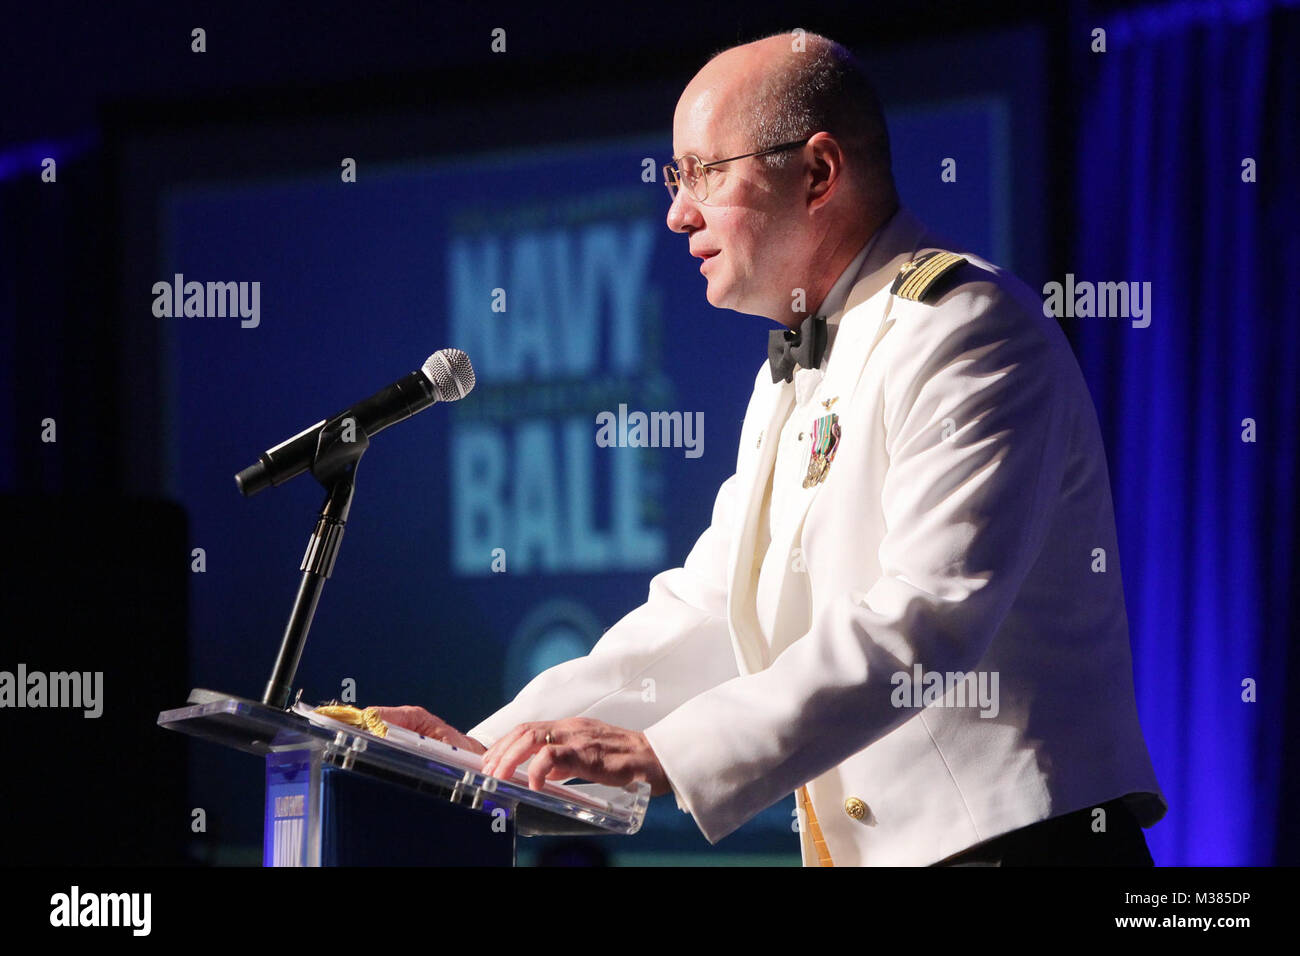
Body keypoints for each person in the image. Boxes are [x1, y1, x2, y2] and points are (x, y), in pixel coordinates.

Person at [377, 31, 1167, 866]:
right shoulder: (795, 366)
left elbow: (923, 619)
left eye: (703, 173)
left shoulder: (964, 328)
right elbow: (712, 611)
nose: (677, 210)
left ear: (818, 173)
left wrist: (668, 757)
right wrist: (475, 754)